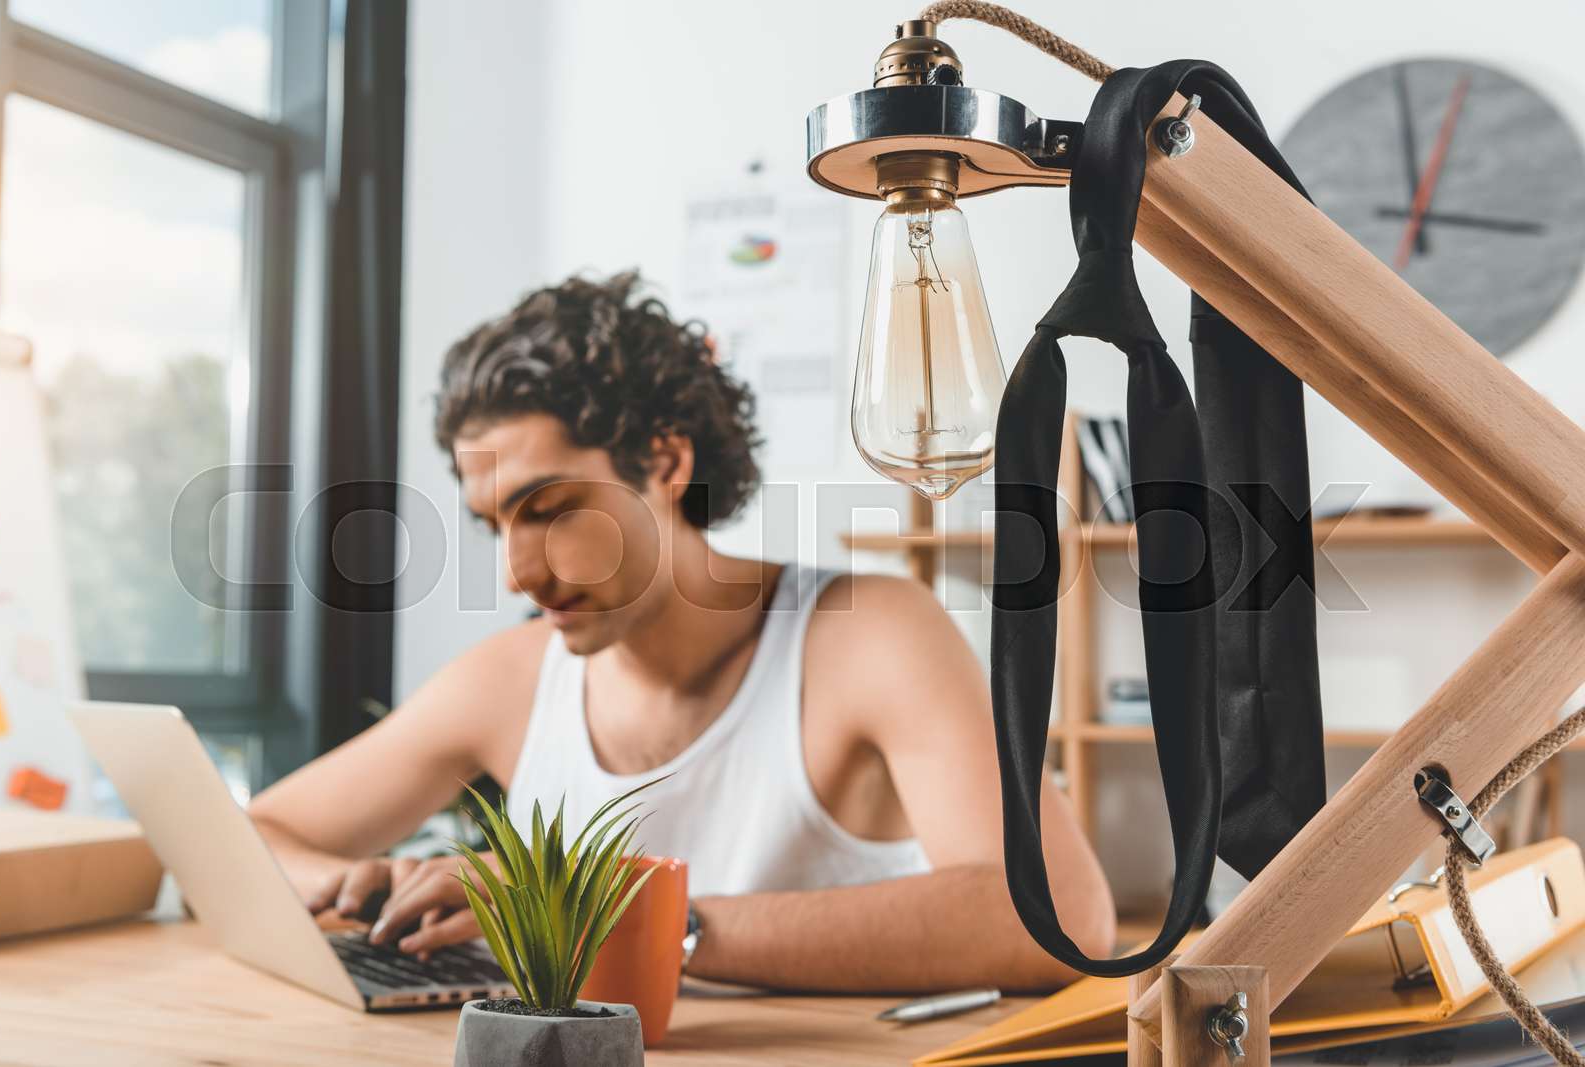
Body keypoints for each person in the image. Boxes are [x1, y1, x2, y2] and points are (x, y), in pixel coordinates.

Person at [249, 272, 1115, 993]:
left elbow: (1063, 918)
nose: (516, 573)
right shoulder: (512, 678)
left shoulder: (869, 636)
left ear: (665, 461)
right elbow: (258, 834)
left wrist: (623, 914)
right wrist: (354, 884)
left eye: (546, 509)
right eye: (492, 524)